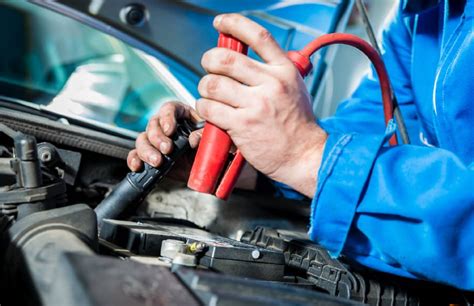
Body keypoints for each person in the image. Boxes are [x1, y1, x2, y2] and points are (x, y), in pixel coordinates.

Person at [127, 0, 473, 290]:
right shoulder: (422, 16)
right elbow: (364, 132)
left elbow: (321, 154)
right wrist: (249, 160)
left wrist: (306, 155)